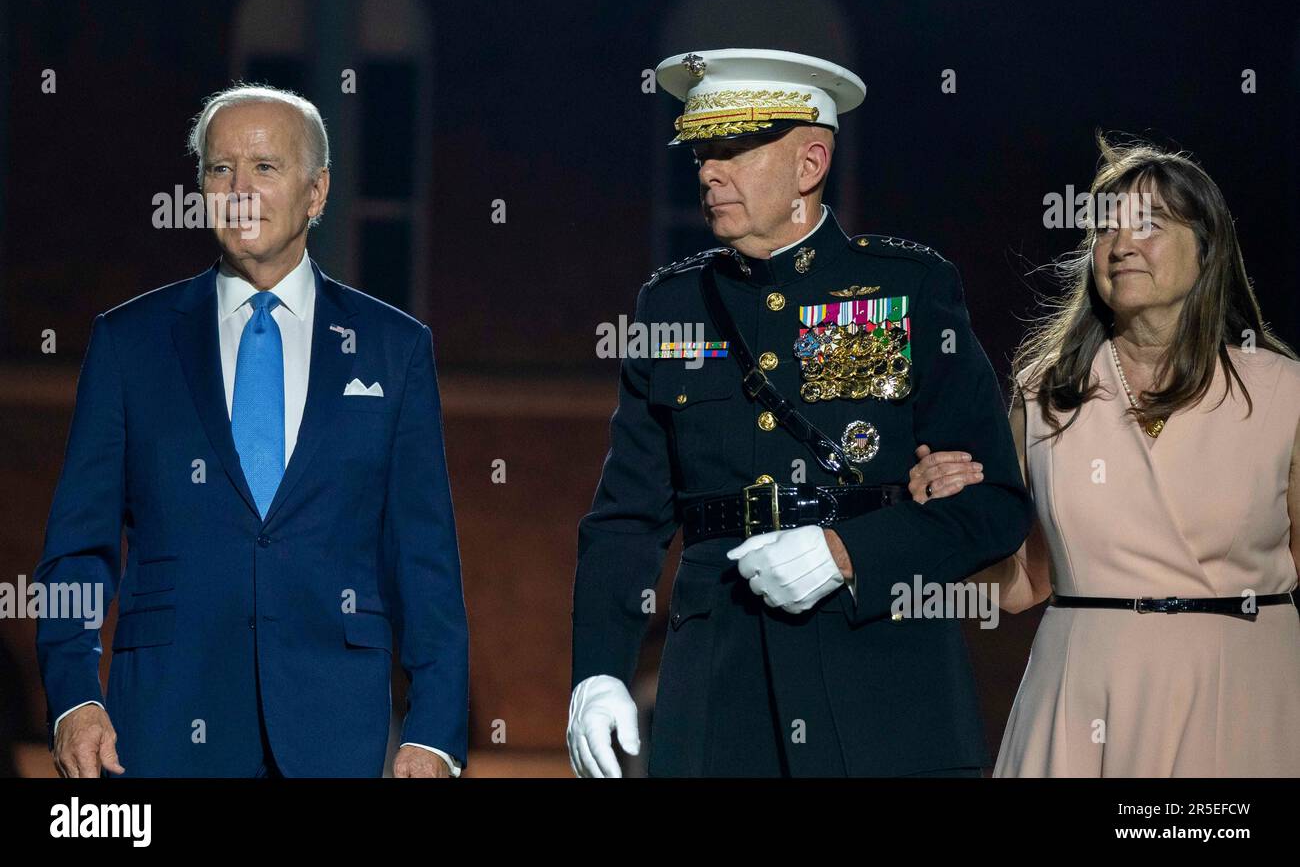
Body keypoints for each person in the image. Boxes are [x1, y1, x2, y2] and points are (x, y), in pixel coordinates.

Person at [567, 49, 1034, 777]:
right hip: (719, 689)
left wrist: (849, 553)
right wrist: (598, 670)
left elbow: (994, 508)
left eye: (733, 148)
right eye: (700, 151)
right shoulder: (671, 306)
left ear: (811, 161)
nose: (707, 171)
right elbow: (627, 516)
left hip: (878, 680)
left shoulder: (905, 290)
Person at [33, 84, 468, 777]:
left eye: (264, 167)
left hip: (336, 729)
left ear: (317, 192)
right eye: (218, 169)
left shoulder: (394, 348)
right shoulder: (130, 344)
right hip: (164, 722)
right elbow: (76, 552)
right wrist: (73, 697)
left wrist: (437, 730)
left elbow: (425, 560)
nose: (238, 189)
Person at [908, 135, 1300, 776]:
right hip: (1084, 700)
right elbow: (1022, 583)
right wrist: (946, 522)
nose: (1120, 245)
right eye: (1103, 229)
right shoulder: (1045, 394)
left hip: (1242, 694)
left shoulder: (1283, 392)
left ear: (1207, 249)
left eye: (1149, 225)